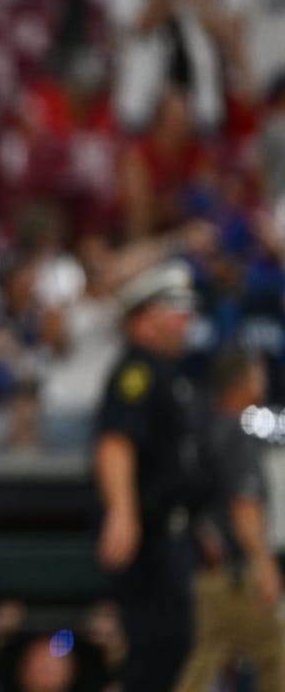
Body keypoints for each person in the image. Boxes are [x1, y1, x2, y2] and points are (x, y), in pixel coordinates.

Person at [94, 260, 209, 692]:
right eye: (176, 310)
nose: (187, 321)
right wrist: (122, 512)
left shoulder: (172, 375)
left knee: (174, 649)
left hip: (172, 536)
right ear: (145, 320)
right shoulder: (136, 371)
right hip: (148, 542)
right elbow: (116, 442)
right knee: (150, 654)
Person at [175, 347, 284, 692]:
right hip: (229, 574)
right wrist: (263, 562)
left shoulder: (199, 424)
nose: (263, 383)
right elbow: (244, 504)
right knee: (276, 651)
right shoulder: (235, 431)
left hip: (194, 568)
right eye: (258, 374)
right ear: (244, 381)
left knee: (204, 657)